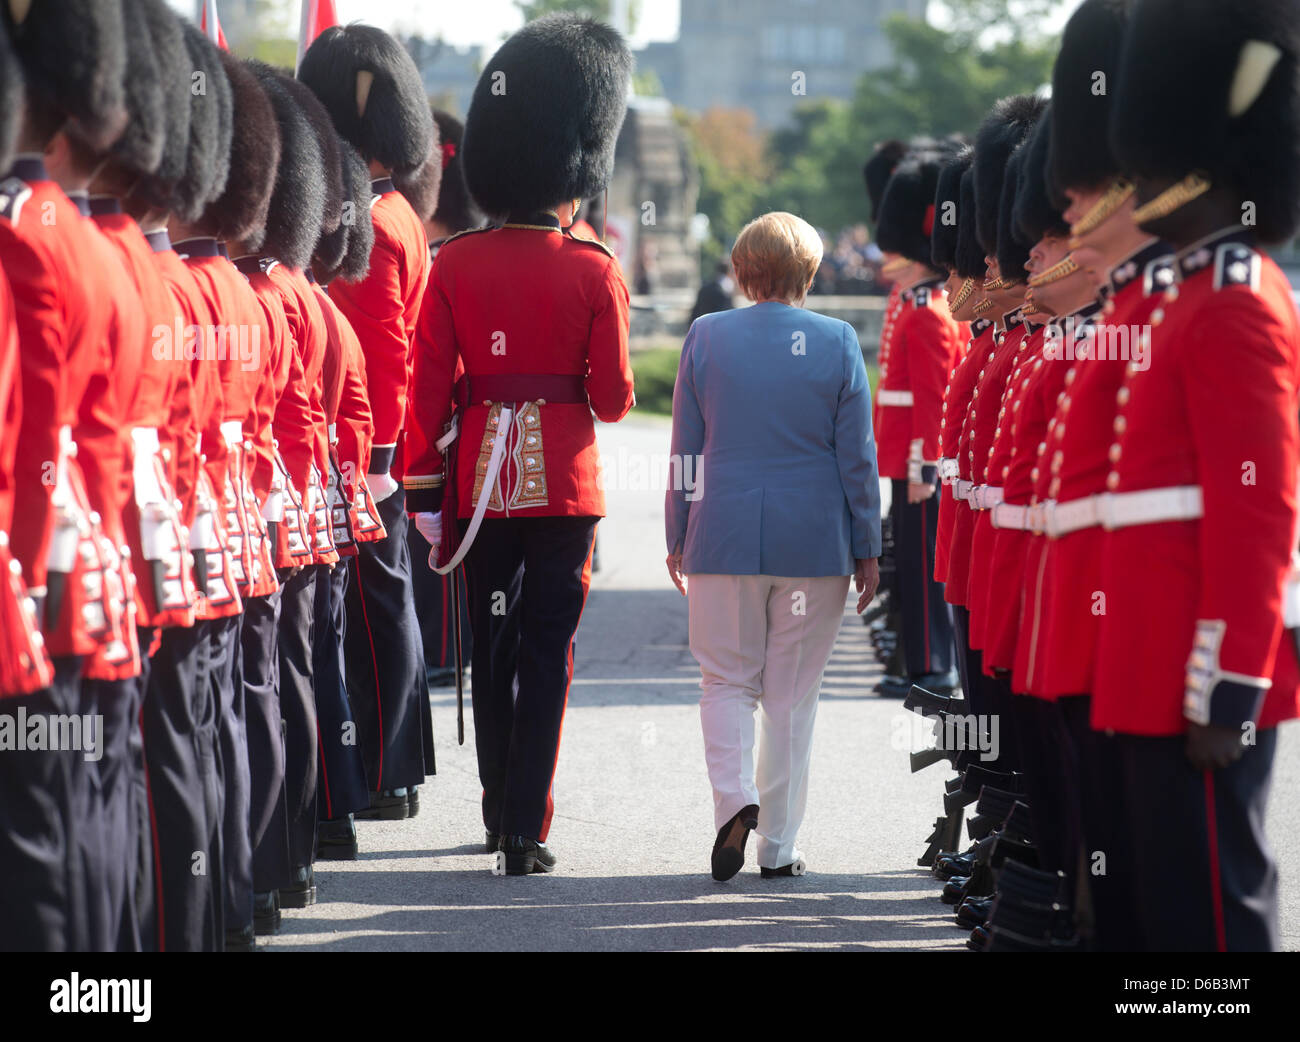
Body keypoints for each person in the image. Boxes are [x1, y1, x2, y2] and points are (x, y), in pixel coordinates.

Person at [404, 13, 636, 876]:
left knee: (491, 648)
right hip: (564, 494)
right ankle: (526, 829)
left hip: (479, 490)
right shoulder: (593, 267)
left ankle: (497, 808)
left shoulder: (455, 262)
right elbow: (613, 403)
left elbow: (426, 390)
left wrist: (425, 491)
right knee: (547, 656)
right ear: (577, 165)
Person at [665, 211, 882, 881]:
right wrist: (868, 543)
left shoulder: (706, 335)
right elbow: (858, 459)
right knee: (791, 696)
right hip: (813, 540)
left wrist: (678, 532)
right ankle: (779, 847)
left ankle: (735, 801)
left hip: (723, 532)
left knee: (725, 681)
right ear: (810, 273)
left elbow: (685, 453)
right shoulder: (838, 340)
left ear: (739, 271)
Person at [298, 24, 436, 821]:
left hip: (362, 451)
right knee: (383, 601)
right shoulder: (392, 212)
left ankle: (386, 767)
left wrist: (376, 456)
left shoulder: (372, 223)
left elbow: (378, 354)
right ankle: (396, 765)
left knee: (372, 605)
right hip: (372, 446)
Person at [689, 260, 735, 324]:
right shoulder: (726, 288)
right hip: (717, 327)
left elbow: (696, 311)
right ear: (728, 271)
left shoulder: (705, 287)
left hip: (703, 325)